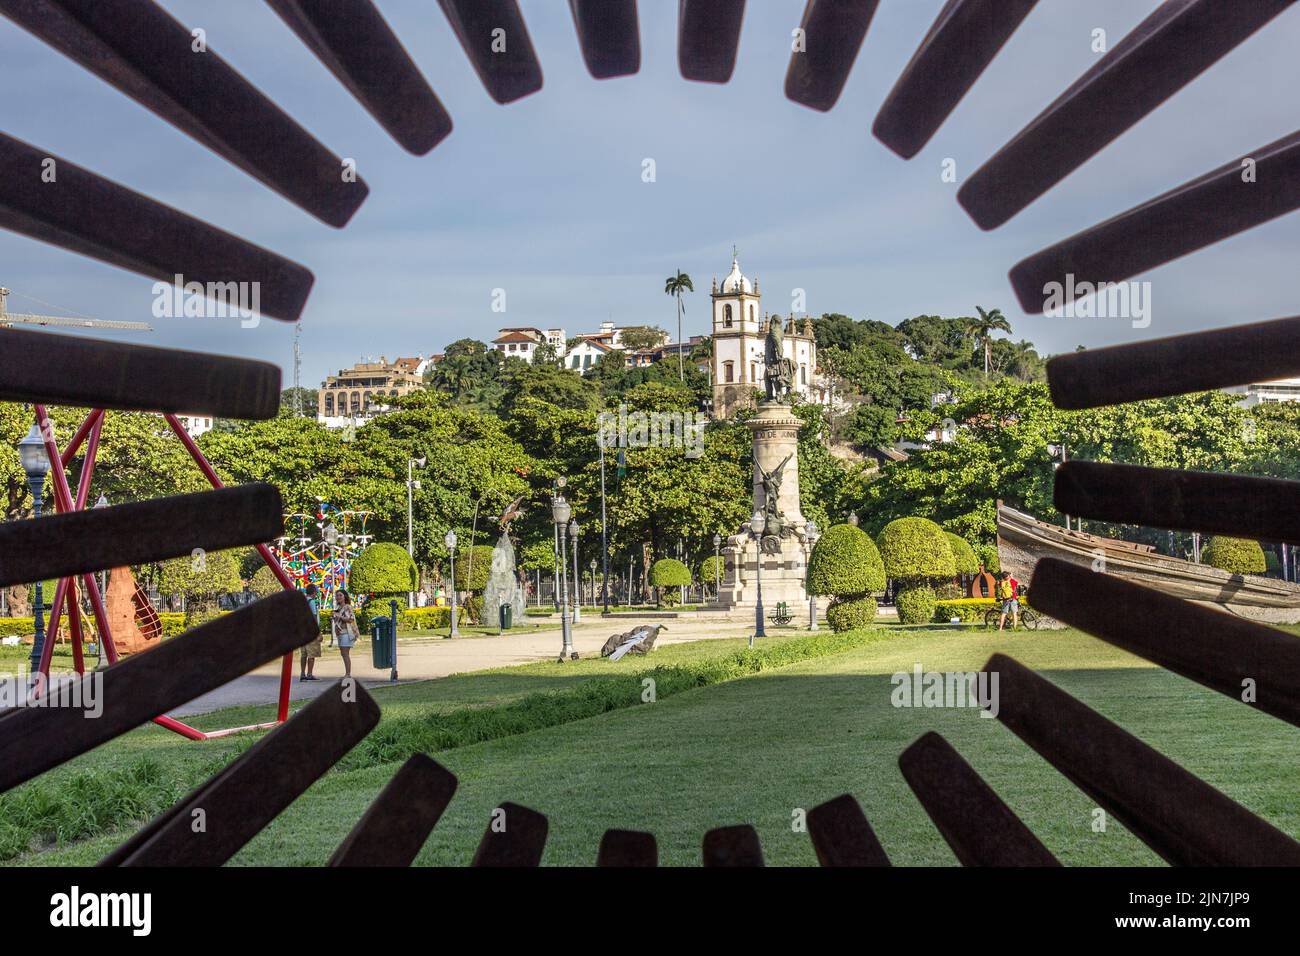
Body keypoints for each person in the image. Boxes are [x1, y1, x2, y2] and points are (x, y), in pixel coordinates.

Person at [334, 589, 360, 678]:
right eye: (337, 596)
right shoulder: (337, 608)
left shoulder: (348, 607)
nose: (338, 597)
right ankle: (347, 673)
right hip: (340, 633)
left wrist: (339, 616)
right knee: (343, 653)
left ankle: (348, 674)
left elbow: (350, 619)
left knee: (345, 653)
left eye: (340, 595)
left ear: (345, 596)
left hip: (347, 633)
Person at [300, 584, 322, 681]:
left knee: (303, 654)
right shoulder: (311, 602)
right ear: (314, 592)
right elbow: (313, 616)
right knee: (312, 654)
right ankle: (309, 674)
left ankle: (302, 674)